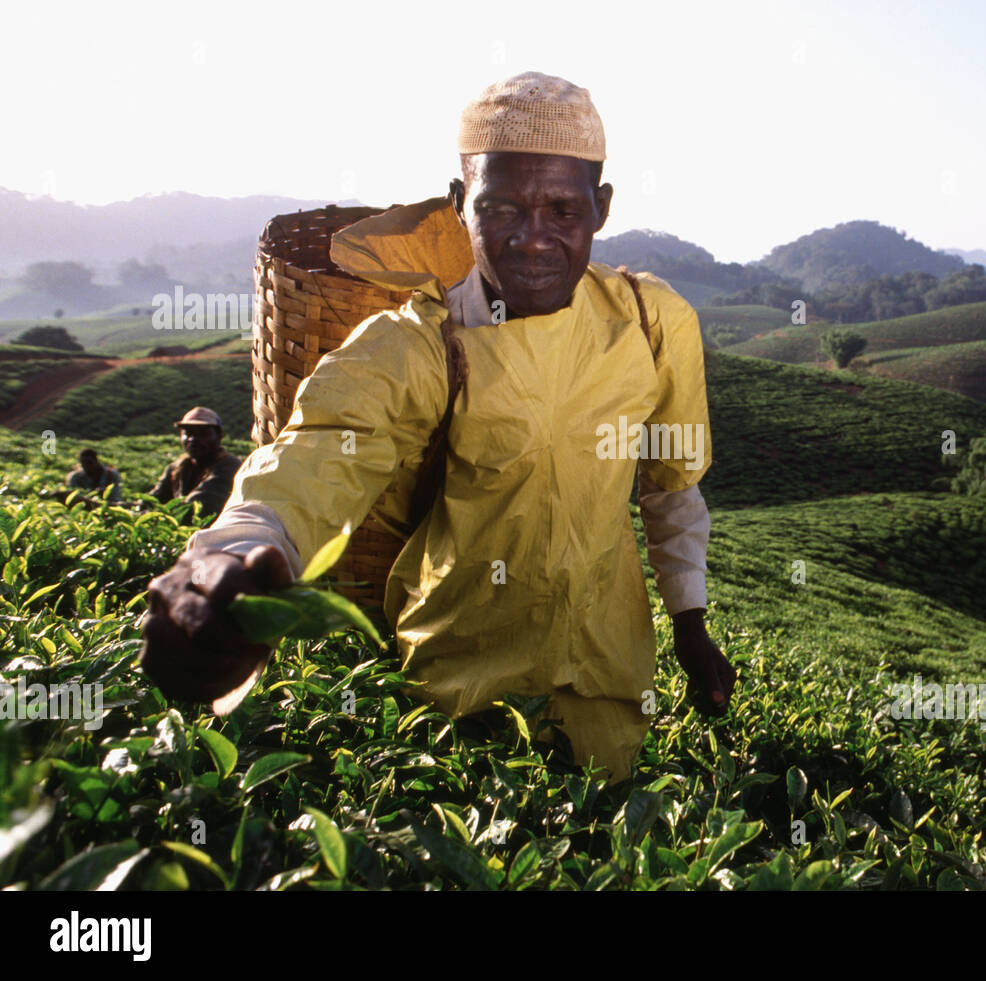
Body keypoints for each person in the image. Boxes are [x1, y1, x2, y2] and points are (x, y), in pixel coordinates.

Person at [140, 72, 737, 783]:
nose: (534, 238)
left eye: (562, 210)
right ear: (460, 206)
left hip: (609, 685)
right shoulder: (424, 341)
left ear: (600, 209)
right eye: (502, 208)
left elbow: (672, 489)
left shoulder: (651, 321)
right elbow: (322, 447)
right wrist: (233, 553)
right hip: (454, 694)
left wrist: (690, 625)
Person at [146, 406, 242, 520]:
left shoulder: (229, 466)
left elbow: (197, 504)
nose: (193, 439)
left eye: (202, 434)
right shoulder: (177, 467)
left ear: (219, 436)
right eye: (188, 433)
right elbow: (154, 499)